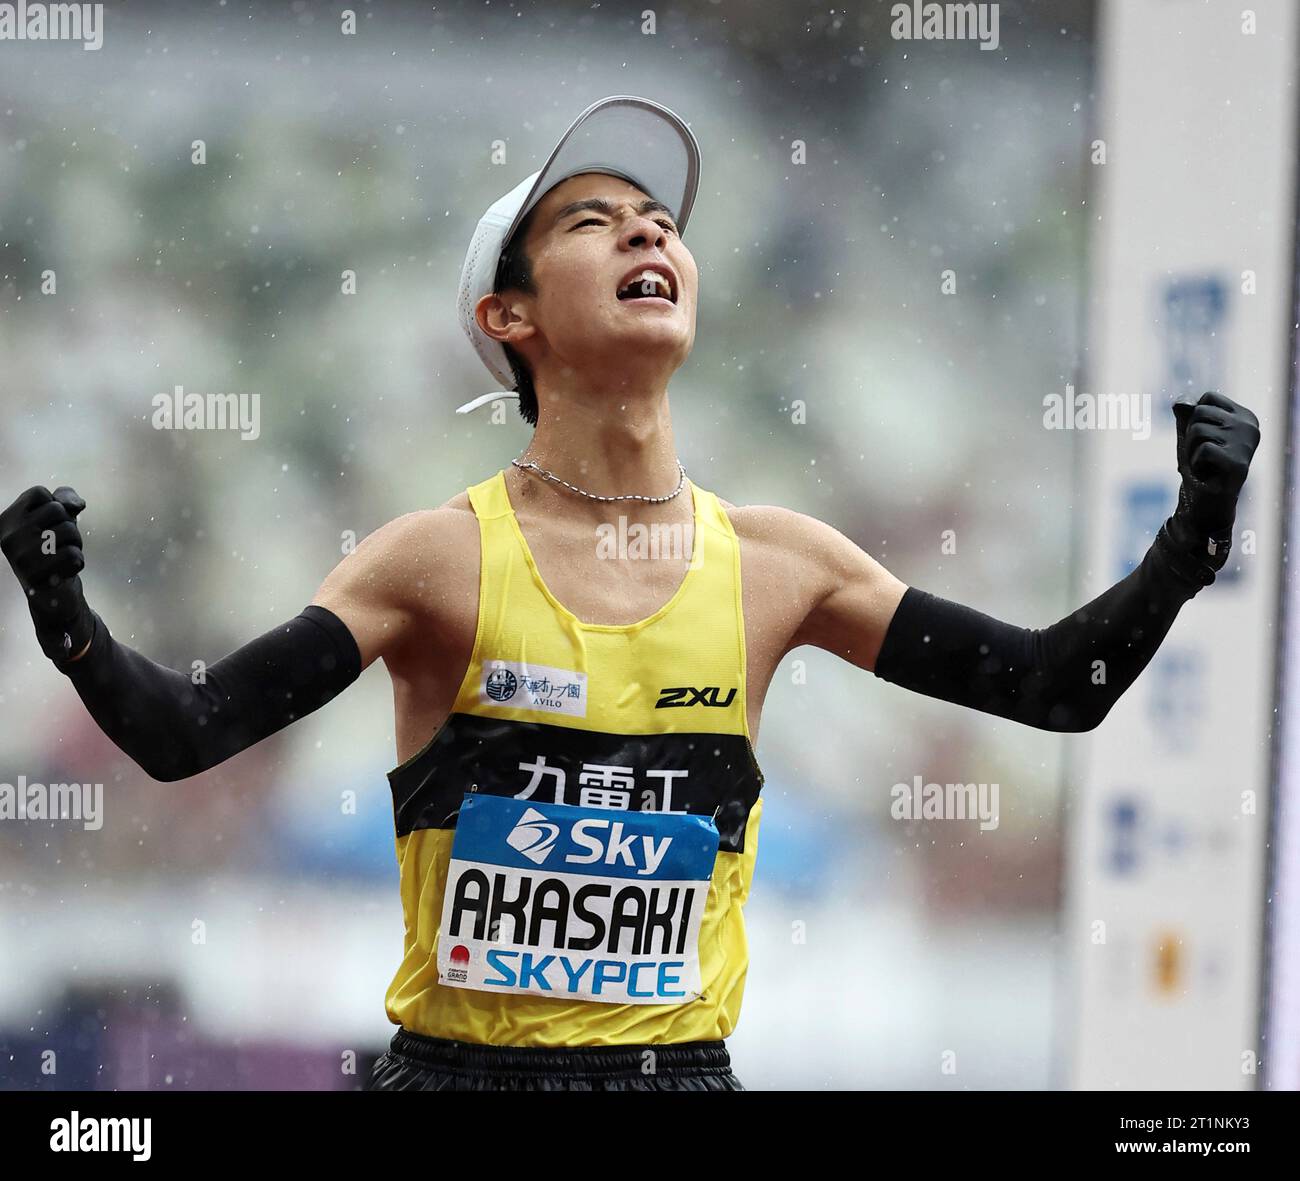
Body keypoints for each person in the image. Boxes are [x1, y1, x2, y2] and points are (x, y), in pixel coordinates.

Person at [0, 96, 1260, 1092]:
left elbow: (1051, 689)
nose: (649, 231)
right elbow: (183, 731)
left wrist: (1188, 543)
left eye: (659, 217)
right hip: (459, 1080)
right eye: (593, 222)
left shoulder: (783, 564)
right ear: (510, 313)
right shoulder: (431, 560)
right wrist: (66, 618)